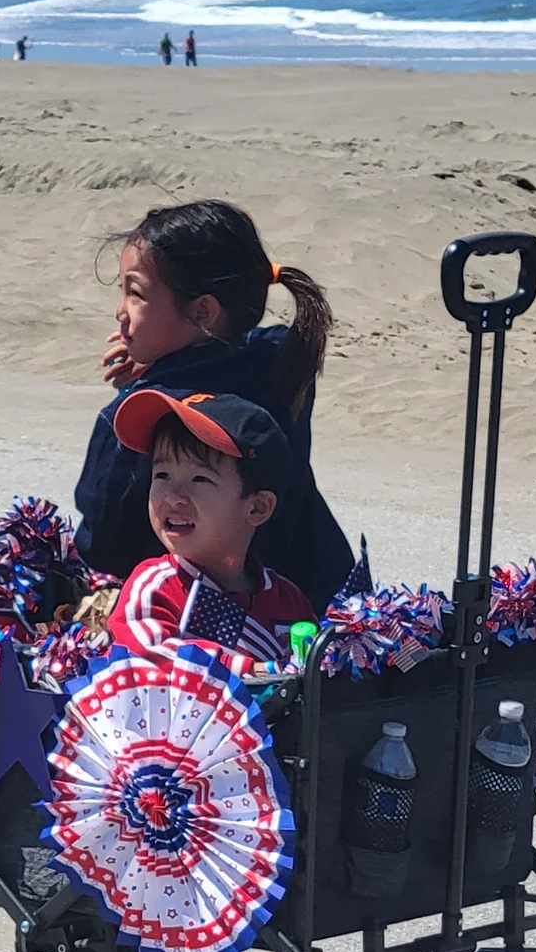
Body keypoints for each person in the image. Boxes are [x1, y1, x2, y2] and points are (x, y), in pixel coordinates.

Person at [74, 199, 354, 615]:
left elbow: (101, 546)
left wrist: (148, 384)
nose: (120, 313)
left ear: (204, 310)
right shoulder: (283, 360)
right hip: (315, 597)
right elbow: (247, 345)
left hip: (198, 624)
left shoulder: (139, 412)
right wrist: (167, 363)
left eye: (135, 293)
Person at [107, 389, 315, 666]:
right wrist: (249, 670)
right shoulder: (155, 586)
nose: (173, 496)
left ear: (257, 508)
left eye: (200, 478)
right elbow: (147, 657)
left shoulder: (288, 601)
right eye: (162, 475)